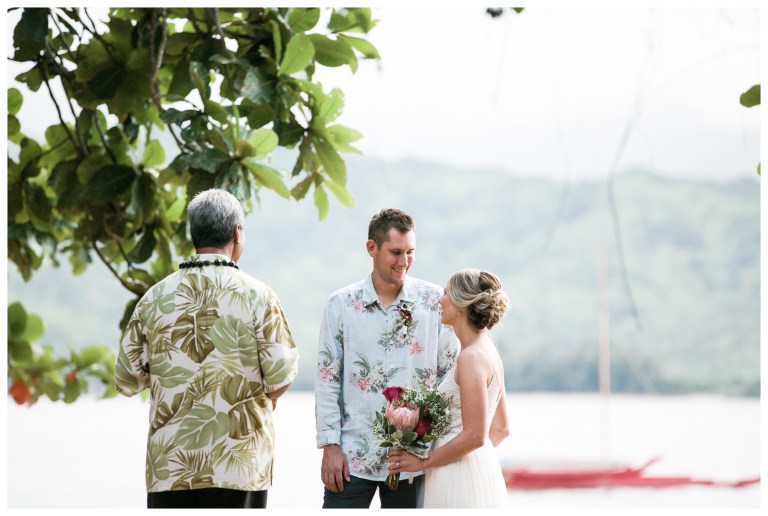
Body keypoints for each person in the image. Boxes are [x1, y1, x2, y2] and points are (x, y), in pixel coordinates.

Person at [115, 188, 299, 509]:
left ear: (193, 234)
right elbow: (281, 377)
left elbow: (127, 381)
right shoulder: (259, 296)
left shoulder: (154, 298)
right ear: (237, 233)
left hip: (171, 468)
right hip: (239, 465)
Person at [314, 208, 459, 508]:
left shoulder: (435, 303)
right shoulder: (340, 305)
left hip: (416, 460)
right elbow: (328, 380)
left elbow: (451, 375)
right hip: (352, 458)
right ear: (371, 248)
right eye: (395, 252)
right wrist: (330, 446)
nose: (404, 262)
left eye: (410, 252)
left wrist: (430, 440)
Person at [387, 269, 510, 508]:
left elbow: (475, 435)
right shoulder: (488, 351)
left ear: (462, 305)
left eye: (445, 293)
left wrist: (424, 461)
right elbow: (501, 428)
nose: (439, 299)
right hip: (466, 469)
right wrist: (476, 466)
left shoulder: (470, 358)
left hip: (456, 476)